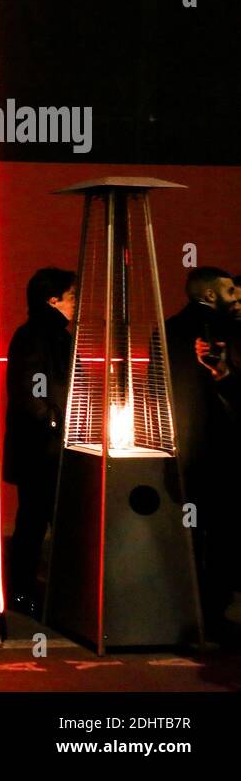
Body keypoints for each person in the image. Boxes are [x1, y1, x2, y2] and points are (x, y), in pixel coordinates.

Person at [165, 266, 239, 638]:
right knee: (222, 536)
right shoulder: (225, 332)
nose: (236, 297)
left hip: (184, 449)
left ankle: (184, 609)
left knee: (189, 532)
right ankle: (213, 613)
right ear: (211, 295)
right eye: (230, 291)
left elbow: (154, 391)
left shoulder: (168, 329)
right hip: (222, 451)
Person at [3, 267, 75, 618]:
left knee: (33, 520)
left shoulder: (37, 334)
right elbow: (32, 389)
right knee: (38, 521)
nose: (76, 303)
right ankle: (28, 592)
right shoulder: (43, 336)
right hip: (45, 447)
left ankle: (26, 592)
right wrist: (55, 419)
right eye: (71, 296)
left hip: (40, 445)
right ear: (53, 299)